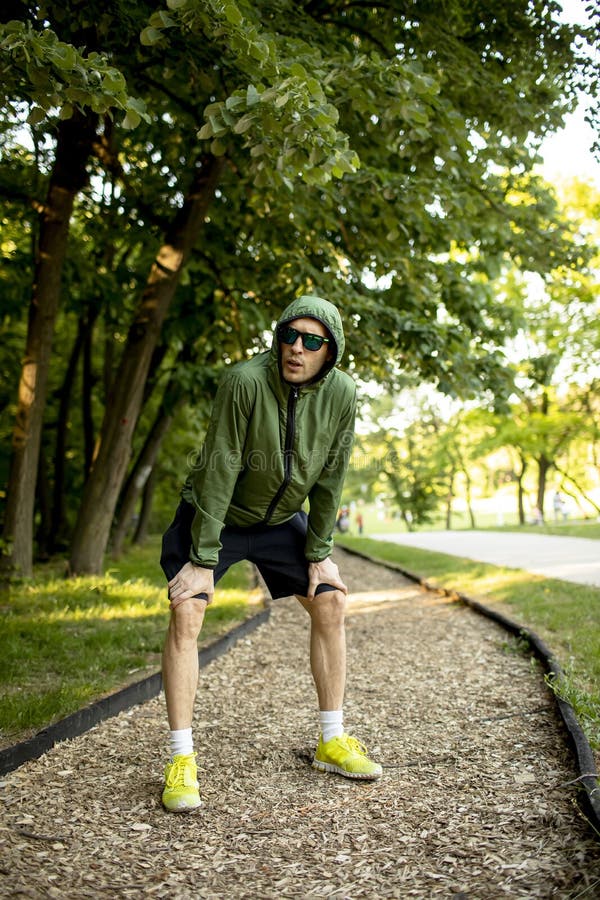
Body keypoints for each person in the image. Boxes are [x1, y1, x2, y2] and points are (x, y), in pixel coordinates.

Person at [159, 295, 382, 812]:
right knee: (187, 611)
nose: (296, 348)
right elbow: (219, 468)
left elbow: (331, 475)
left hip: (280, 520)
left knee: (331, 600)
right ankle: (181, 758)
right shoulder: (245, 382)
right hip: (216, 514)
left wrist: (319, 552)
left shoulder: (343, 393)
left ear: (331, 352)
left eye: (311, 341)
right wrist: (203, 559)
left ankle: (331, 740)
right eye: (288, 335)